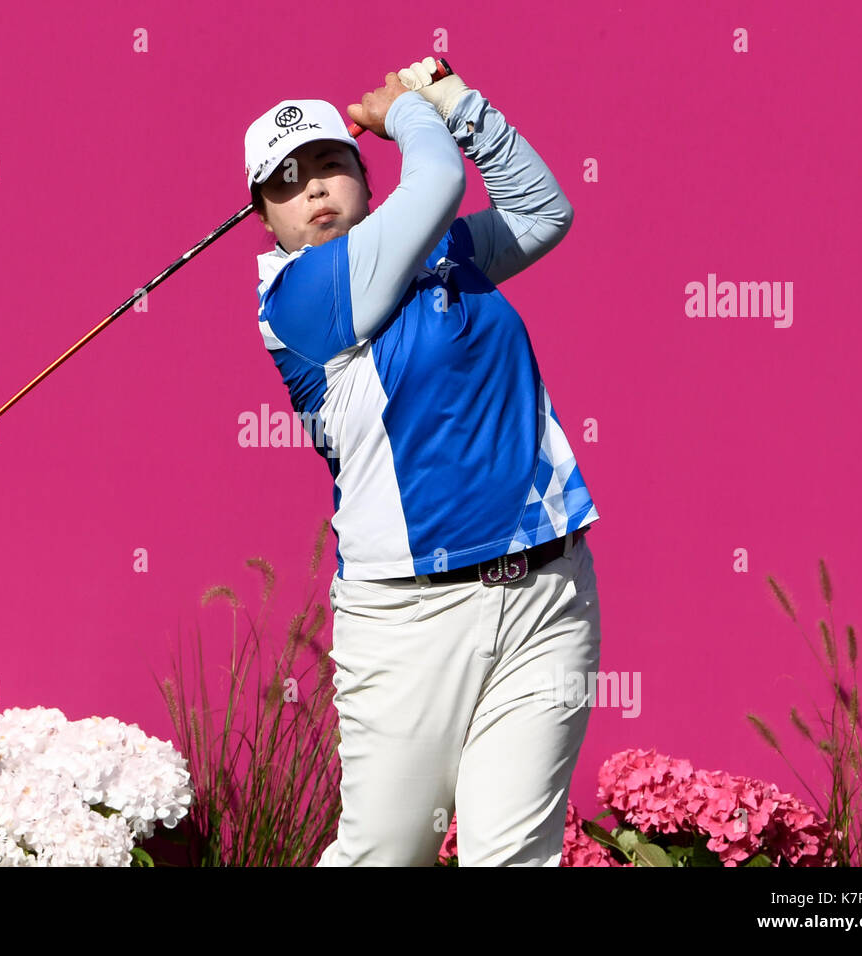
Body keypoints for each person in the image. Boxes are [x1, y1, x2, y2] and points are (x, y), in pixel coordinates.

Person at [243, 58, 601, 866]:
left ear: (366, 182)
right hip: (409, 621)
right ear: (266, 219)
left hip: (548, 592)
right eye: (288, 183)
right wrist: (407, 111)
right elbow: (437, 177)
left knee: (514, 855)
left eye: (333, 165)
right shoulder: (301, 298)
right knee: (386, 854)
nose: (317, 190)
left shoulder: (444, 256)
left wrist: (458, 103)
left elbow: (544, 211)